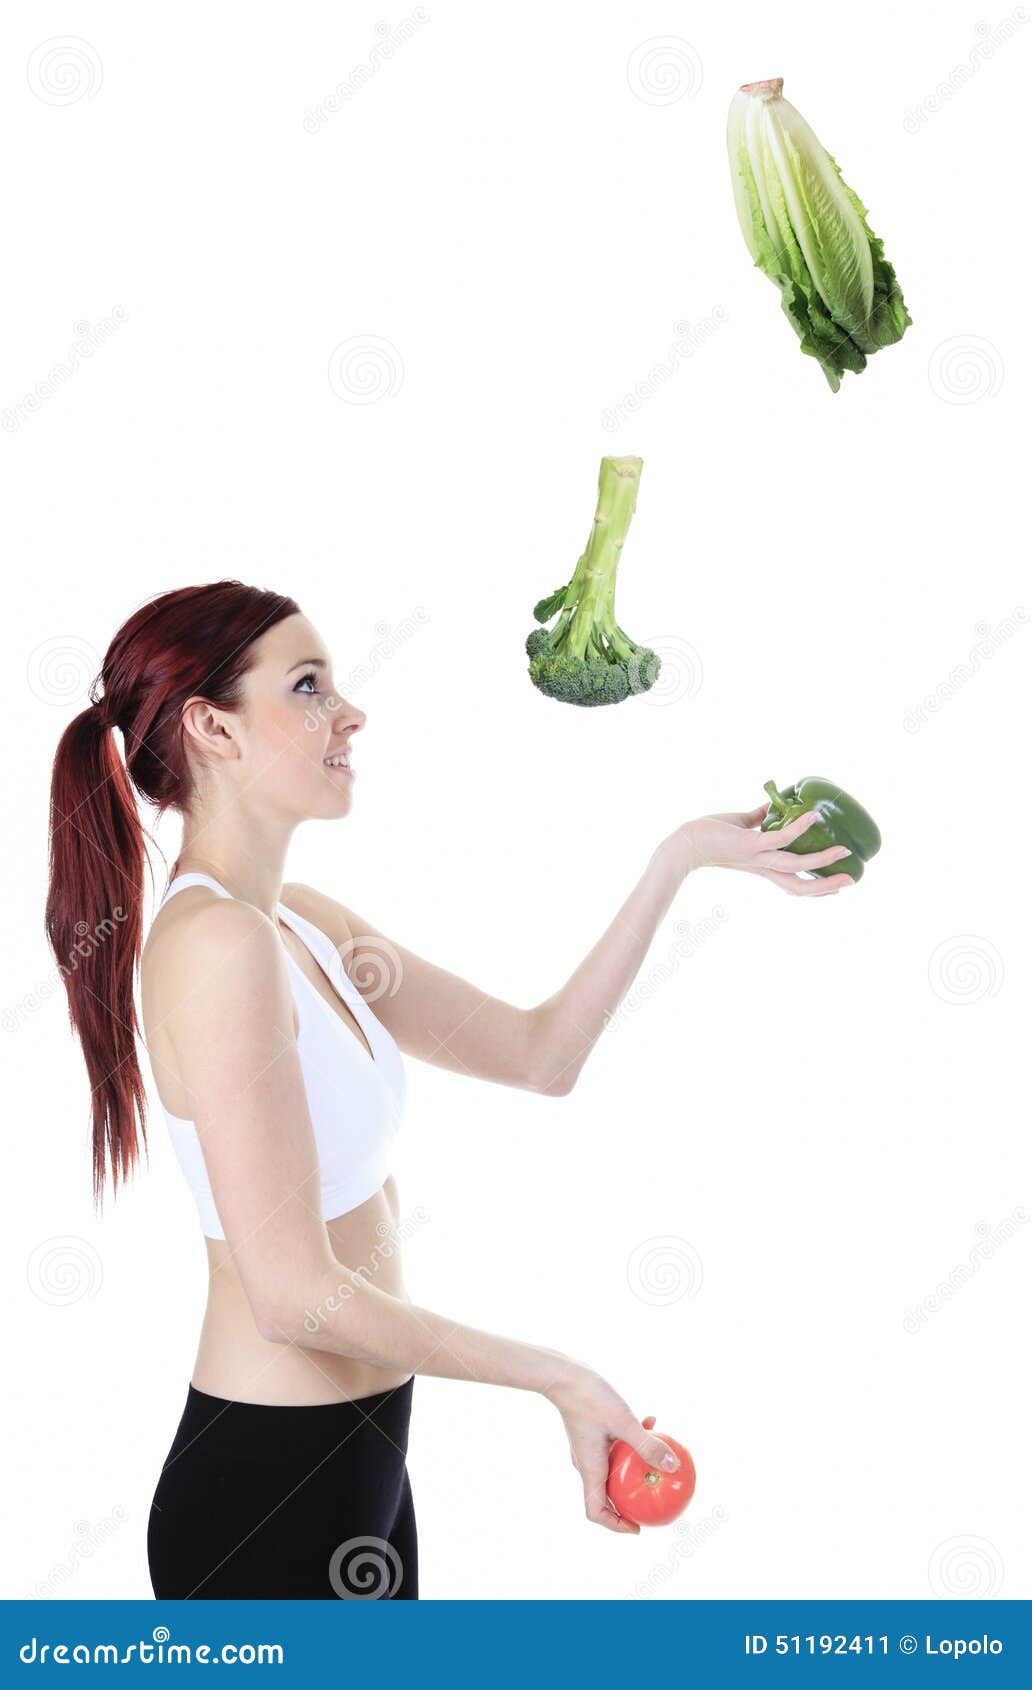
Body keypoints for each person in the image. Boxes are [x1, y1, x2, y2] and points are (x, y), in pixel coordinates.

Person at [45, 580, 853, 1600]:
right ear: (213, 728)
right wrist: (555, 1374)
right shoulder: (215, 946)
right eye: (307, 684)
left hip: (362, 1468)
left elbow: (539, 1053)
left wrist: (679, 862)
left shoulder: (300, 924)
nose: (351, 711)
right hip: (266, 1492)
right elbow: (294, 1297)